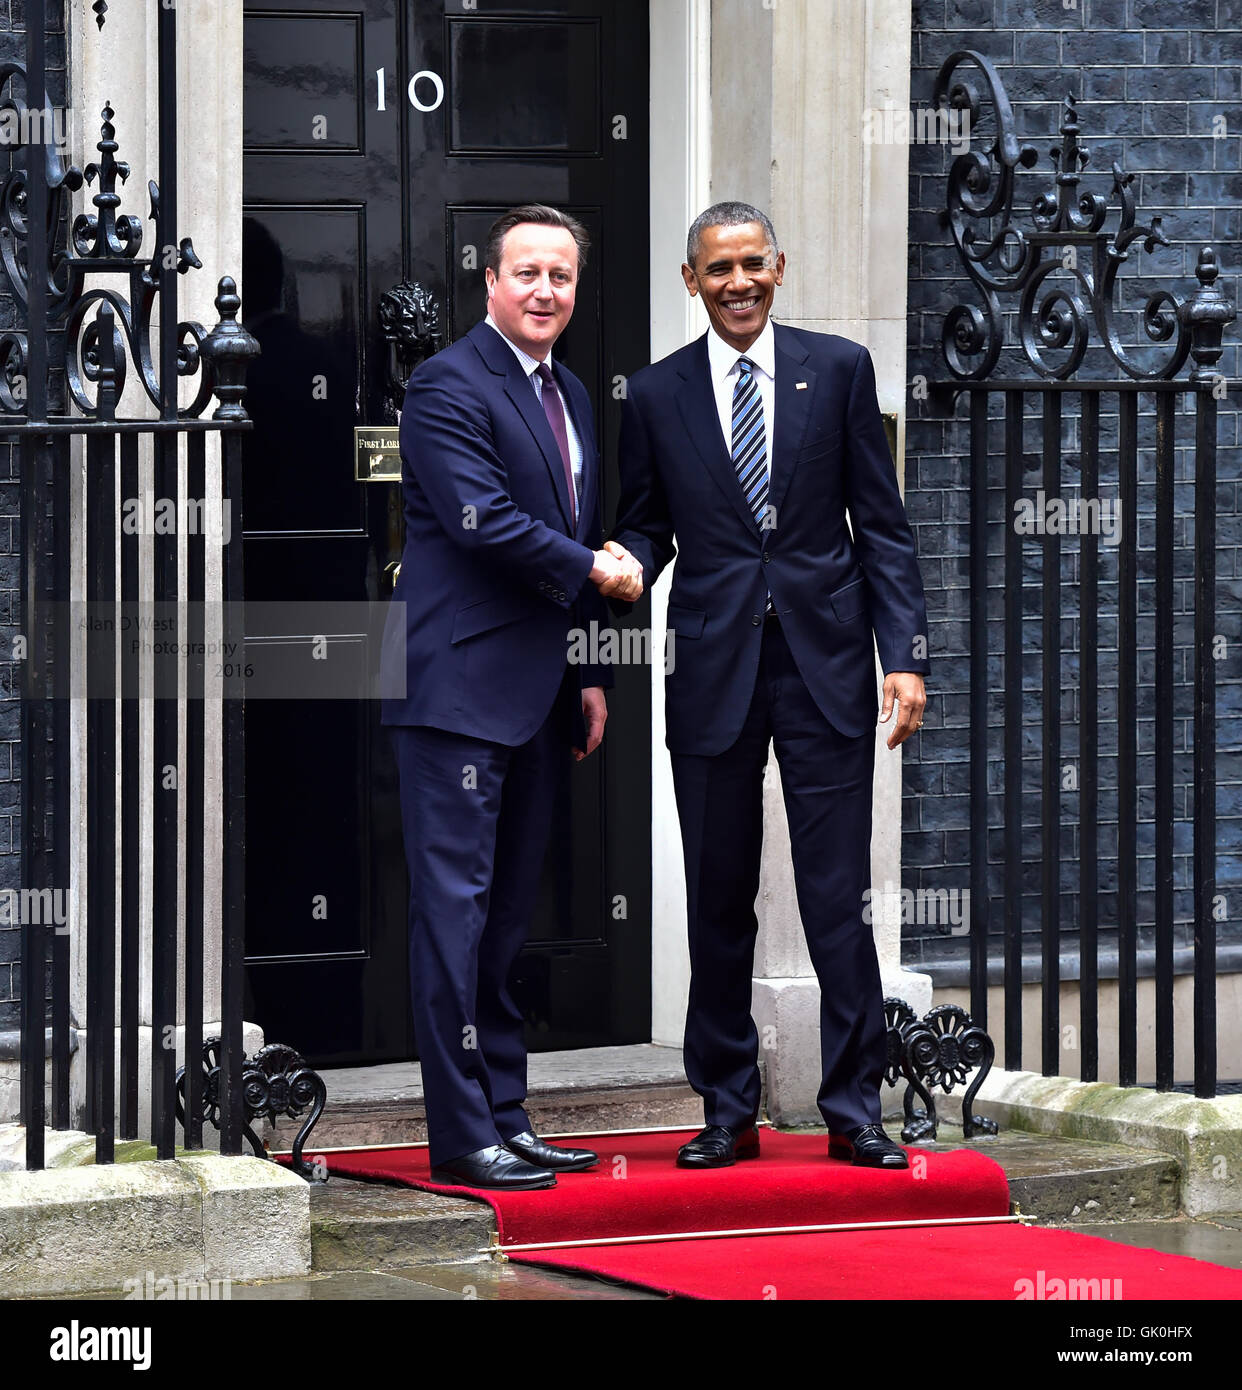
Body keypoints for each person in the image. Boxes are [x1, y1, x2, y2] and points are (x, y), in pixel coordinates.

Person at [609, 202, 929, 1170]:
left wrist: (904, 654)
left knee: (837, 899)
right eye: (719, 269)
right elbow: (645, 522)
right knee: (718, 900)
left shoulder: (838, 370)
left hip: (826, 667)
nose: (738, 282)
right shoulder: (654, 395)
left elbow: (881, 524)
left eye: (753, 264)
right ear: (690, 280)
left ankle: (854, 1109)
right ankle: (726, 1107)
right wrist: (628, 562)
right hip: (712, 670)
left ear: (779, 268)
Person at [380, 204, 644, 1190]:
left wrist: (590, 669)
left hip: (539, 692)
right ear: (489, 282)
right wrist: (598, 569)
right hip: (454, 689)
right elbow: (481, 520)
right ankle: (461, 1134)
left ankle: (506, 1112)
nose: (544, 291)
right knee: (453, 918)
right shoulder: (445, 384)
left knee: (503, 919)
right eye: (526, 272)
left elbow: (569, 530)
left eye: (560, 276)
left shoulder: (569, 390)